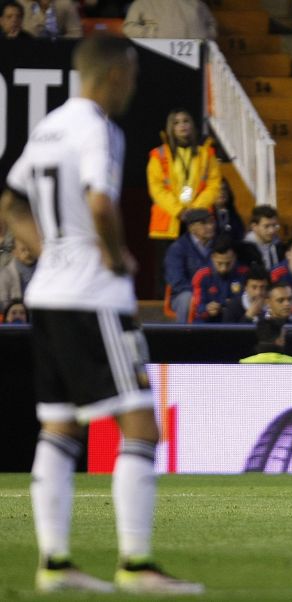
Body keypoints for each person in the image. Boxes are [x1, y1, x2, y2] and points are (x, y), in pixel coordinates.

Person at [0, 35, 202, 594]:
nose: (133, 86)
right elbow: (99, 201)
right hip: (93, 294)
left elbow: (10, 202)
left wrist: (49, 249)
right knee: (140, 424)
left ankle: (55, 561)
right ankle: (137, 565)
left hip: (49, 292)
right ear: (113, 75)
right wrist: (114, 257)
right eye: (132, 75)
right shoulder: (99, 130)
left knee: (59, 426)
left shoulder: (49, 126)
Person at [146, 109, 222, 246]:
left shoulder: (206, 153)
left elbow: (214, 184)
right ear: (171, 127)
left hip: (200, 220)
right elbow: (156, 189)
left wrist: (195, 211)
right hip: (169, 222)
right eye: (177, 123)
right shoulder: (159, 155)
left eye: (186, 121)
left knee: (201, 267)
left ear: (192, 125)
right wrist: (179, 211)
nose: (182, 125)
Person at [163, 209, 215, 323]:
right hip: (185, 294)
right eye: (203, 223)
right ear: (191, 228)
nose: (210, 226)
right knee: (188, 298)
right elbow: (176, 281)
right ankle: (185, 335)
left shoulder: (218, 246)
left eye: (211, 222)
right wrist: (201, 295)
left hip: (214, 293)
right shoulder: (178, 248)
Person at [191, 237, 249, 323]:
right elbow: (198, 307)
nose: (223, 268)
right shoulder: (201, 275)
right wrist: (207, 309)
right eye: (219, 263)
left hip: (235, 322)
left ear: (235, 257)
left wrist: (230, 306)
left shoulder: (245, 273)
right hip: (208, 323)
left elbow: (248, 304)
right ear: (212, 257)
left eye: (228, 263)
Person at [123, 0, 216, 39]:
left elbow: (212, 25)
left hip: (197, 58)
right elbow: (128, 28)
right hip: (157, 58)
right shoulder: (142, 3)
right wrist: (154, 32)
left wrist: (204, 36)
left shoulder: (197, 3)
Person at [241, 206, 284, 270]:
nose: (272, 230)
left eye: (274, 225)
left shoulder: (279, 246)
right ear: (254, 227)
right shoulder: (244, 251)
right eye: (266, 226)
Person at [0, 237, 35, 310]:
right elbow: (3, 303)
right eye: (23, 250)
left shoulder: (43, 271)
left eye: (31, 249)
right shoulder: (5, 274)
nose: (28, 253)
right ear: (15, 252)